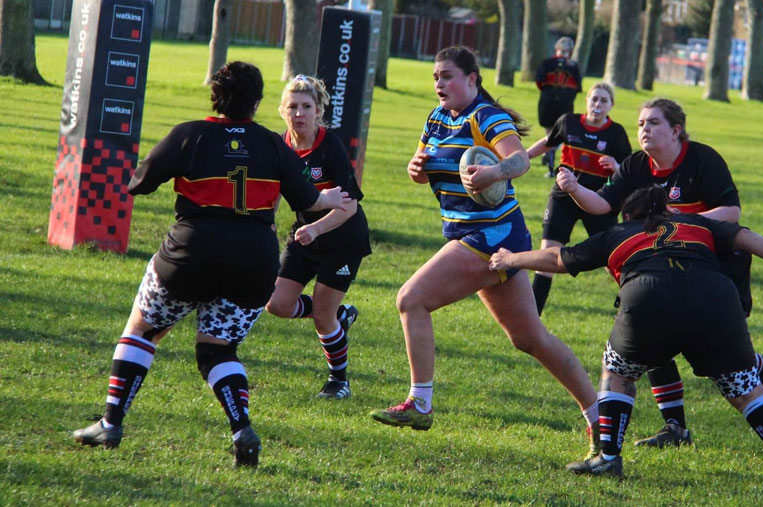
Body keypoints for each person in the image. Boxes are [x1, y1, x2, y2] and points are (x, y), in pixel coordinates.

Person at [72, 61, 350, 467]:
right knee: (218, 350)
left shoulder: (190, 135)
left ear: (215, 98)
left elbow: (140, 183)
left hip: (190, 257)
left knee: (143, 330)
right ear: (257, 103)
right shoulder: (274, 145)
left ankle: (110, 423)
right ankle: (241, 429)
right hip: (254, 265)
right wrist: (331, 200)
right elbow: (310, 200)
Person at [488, 187, 763, 494]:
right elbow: (743, 235)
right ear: (669, 210)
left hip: (648, 299)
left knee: (618, 371)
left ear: (629, 215)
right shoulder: (697, 224)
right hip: (715, 299)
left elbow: (558, 258)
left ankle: (608, 457)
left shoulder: (619, 232)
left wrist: (510, 258)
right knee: (746, 389)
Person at [370, 46, 600, 454]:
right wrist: (416, 171)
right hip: (473, 235)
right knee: (529, 338)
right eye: (436, 77)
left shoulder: (486, 117)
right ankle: (600, 417)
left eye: (448, 76)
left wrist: (495, 170)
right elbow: (425, 165)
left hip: (493, 236)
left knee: (411, 299)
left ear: (472, 79)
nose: (440, 84)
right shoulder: (438, 118)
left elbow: (519, 163)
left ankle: (420, 403)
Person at [555, 97, 763, 447]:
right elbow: (604, 204)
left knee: (736, 356)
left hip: (717, 272)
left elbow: (731, 212)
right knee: (651, 339)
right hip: (662, 270)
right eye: (640, 124)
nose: (644, 130)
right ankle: (676, 428)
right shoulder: (636, 166)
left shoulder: (703, 159)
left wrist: (679, 225)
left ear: (676, 130)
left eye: (653, 123)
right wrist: (575, 190)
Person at [264, 75, 371, 400]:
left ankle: (339, 381)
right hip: (305, 237)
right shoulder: (281, 146)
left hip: (342, 239)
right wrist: (264, 227)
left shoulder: (330, 146)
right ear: (283, 111)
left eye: (306, 106)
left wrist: (315, 228)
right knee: (277, 304)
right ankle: (338, 316)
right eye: (293, 106)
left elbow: (349, 206)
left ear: (318, 110)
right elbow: (273, 196)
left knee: (322, 317)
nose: (299, 113)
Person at [524, 82, 632, 314]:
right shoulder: (569, 122)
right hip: (563, 198)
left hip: (599, 201)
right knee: (546, 257)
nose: (598, 104)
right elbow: (548, 143)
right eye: (594, 99)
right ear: (587, 101)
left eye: (604, 100)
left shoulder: (616, 133)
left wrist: (616, 165)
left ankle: (638, 304)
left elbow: (630, 170)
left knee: (613, 259)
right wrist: (524, 156)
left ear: (611, 105)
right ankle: (532, 319)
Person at [535, 36, 582, 176]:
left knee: (549, 131)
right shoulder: (573, 66)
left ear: (557, 48)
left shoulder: (546, 63)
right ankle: (552, 156)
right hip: (566, 102)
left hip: (547, 99)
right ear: (571, 50)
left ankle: (548, 156)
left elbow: (539, 82)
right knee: (561, 132)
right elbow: (577, 86)